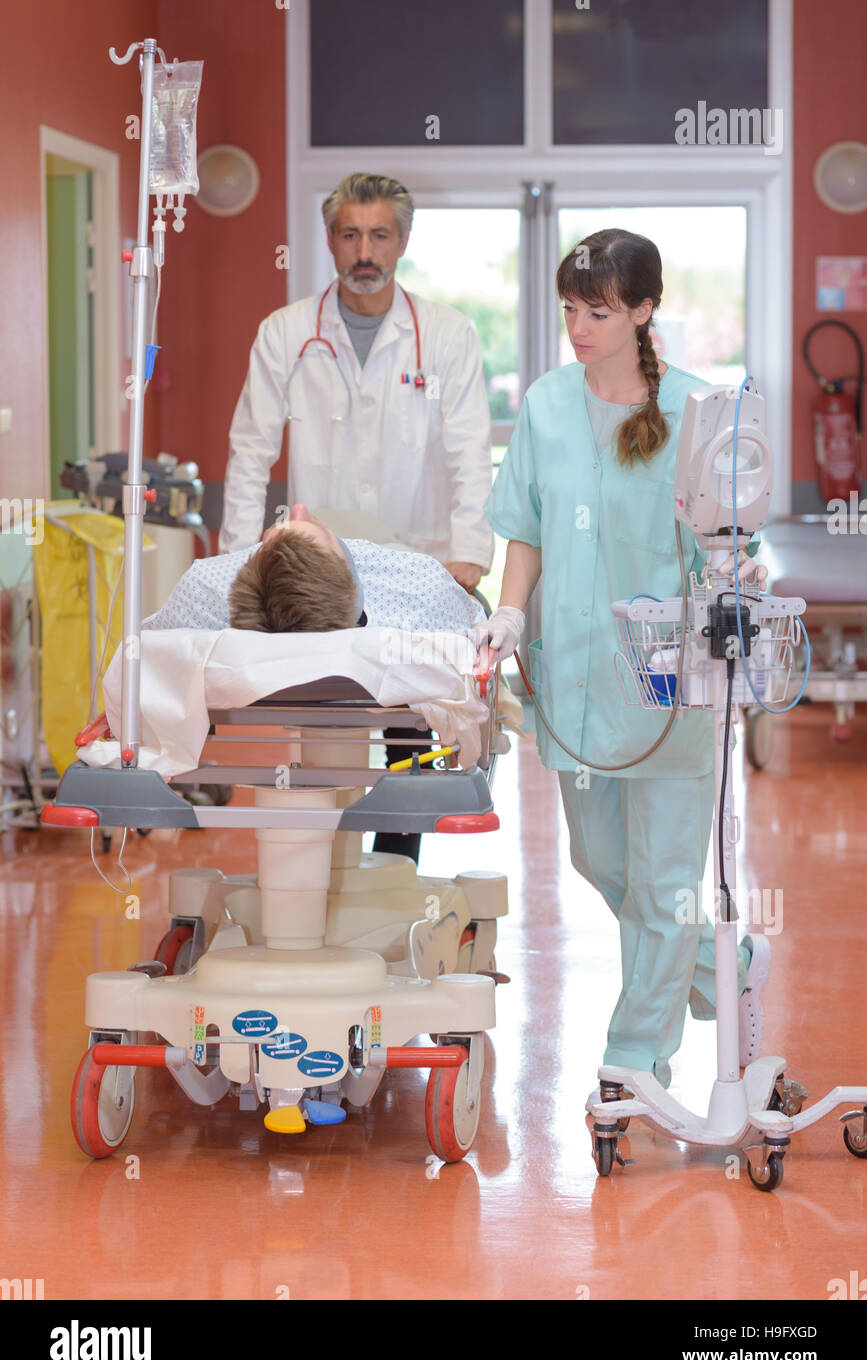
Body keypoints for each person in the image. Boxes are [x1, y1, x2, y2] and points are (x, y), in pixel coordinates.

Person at [474, 229, 771, 1092]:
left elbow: (721, 538)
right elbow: (524, 533)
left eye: (598, 310)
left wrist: (736, 565)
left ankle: (633, 1059)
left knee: (670, 878)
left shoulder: (694, 411)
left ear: (643, 310)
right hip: (567, 676)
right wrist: (505, 611)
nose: (578, 325)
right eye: (569, 307)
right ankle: (727, 962)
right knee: (601, 863)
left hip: (667, 681)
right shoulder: (544, 404)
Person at [219, 171, 494, 599]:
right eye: (350, 235)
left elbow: (470, 450)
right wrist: (234, 560)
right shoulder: (285, 331)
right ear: (329, 239)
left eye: (379, 236)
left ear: (403, 242)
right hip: (319, 565)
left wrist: (470, 548)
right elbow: (250, 451)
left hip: (424, 561)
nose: (364, 253)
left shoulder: (448, 334)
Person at [144, 504, 484, 636]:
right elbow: (474, 632)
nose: (299, 507)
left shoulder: (203, 591)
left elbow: (154, 650)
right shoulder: (422, 585)